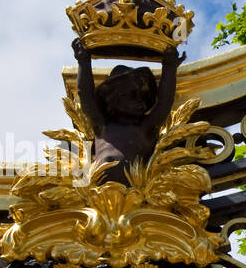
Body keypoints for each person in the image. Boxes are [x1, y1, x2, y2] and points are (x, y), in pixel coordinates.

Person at [72, 37, 183, 179]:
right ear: (114, 100)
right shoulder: (102, 125)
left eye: (142, 97)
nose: (140, 102)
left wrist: (169, 67)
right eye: (132, 96)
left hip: (136, 190)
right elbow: (85, 96)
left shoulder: (144, 127)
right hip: (97, 191)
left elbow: (165, 102)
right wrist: (83, 61)